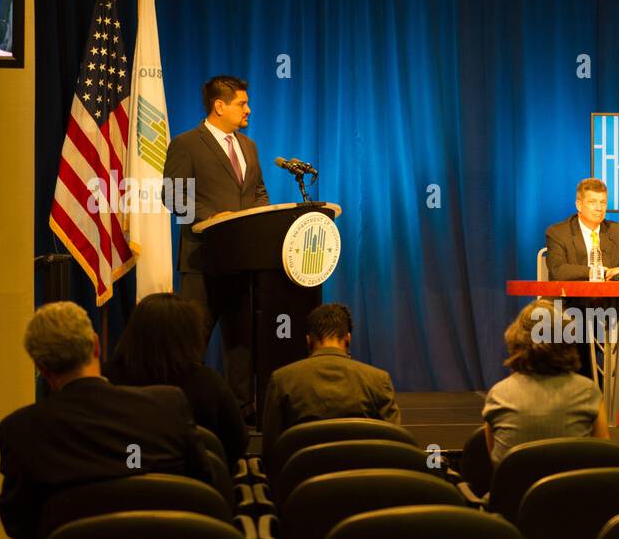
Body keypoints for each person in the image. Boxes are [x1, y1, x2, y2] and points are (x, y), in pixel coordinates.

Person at [0, 302, 213, 539]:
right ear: (96, 346)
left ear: (41, 367)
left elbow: (19, 524)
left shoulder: (20, 431)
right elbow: (203, 488)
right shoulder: (168, 405)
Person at [163, 75, 270, 416]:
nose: (248, 109)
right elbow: (173, 196)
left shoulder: (249, 146)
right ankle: (182, 413)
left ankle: (241, 412)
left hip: (243, 263)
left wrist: (259, 220)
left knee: (242, 345)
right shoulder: (186, 144)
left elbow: (258, 192)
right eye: (242, 103)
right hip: (202, 263)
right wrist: (217, 219)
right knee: (191, 345)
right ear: (219, 105)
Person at [105, 293, 248, 467]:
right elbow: (237, 444)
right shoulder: (208, 383)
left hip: (116, 487)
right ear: (190, 334)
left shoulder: (106, 380)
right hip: (194, 487)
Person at [261, 303, 402, 461]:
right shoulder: (378, 380)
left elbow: (271, 450)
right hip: (363, 481)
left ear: (308, 340)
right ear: (348, 338)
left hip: (300, 481)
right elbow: (395, 446)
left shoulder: (281, 380)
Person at [482, 299, 608, 465]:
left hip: (515, 491)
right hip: (573, 491)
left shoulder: (498, 395)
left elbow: (494, 462)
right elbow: (604, 455)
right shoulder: (588, 392)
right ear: (567, 340)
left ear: (516, 339)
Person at [545, 178, 619, 280]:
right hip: (570, 298)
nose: (599, 208)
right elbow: (557, 270)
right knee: (556, 301)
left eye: (603, 202)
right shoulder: (558, 233)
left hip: (611, 297)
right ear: (579, 205)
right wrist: (601, 272)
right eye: (592, 202)